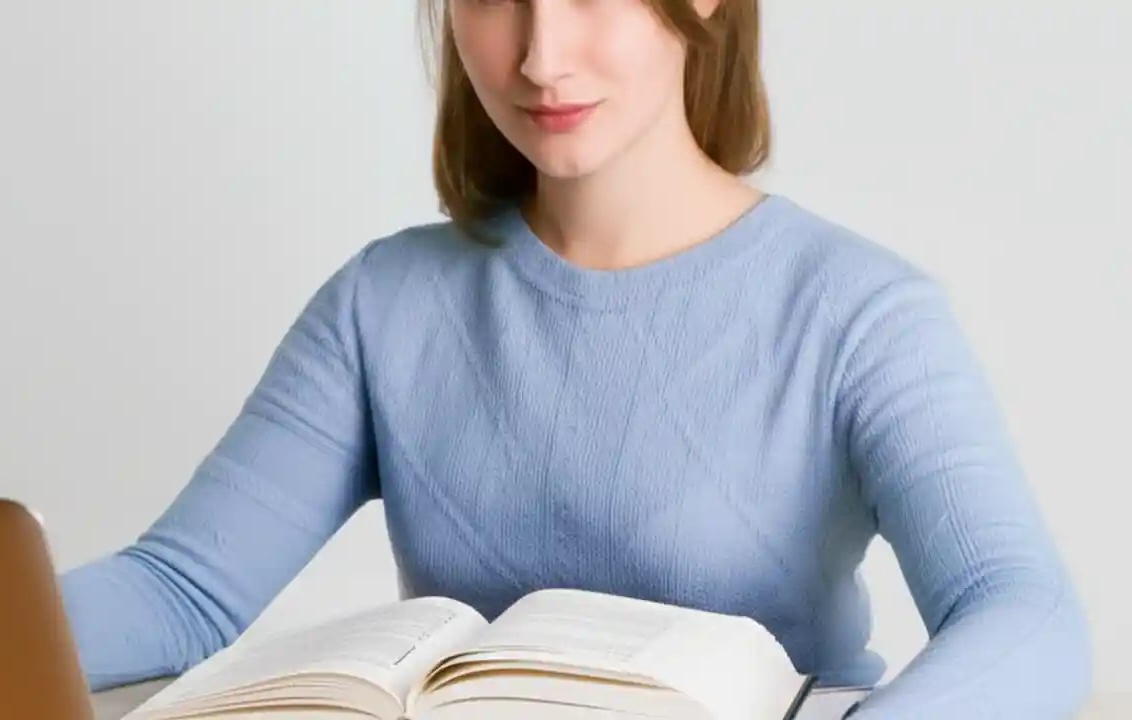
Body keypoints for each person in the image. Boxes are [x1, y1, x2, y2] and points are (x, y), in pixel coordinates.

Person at [60, 1, 1092, 717]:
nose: (540, 56)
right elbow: (180, 596)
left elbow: (1022, 612)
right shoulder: (385, 302)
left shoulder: (859, 313)